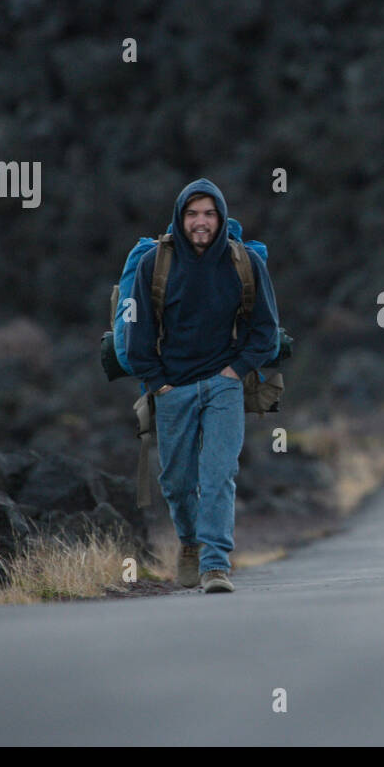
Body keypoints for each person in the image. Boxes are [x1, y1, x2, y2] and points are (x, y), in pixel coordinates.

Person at [125, 179, 279, 593]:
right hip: (173, 387)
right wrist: (159, 385)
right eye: (193, 213)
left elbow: (266, 331)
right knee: (175, 481)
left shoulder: (243, 262)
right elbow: (137, 333)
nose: (201, 222)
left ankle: (215, 565)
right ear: (180, 217)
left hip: (223, 384)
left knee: (218, 474)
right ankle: (190, 543)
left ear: (221, 217)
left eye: (209, 214)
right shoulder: (154, 264)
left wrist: (236, 370)